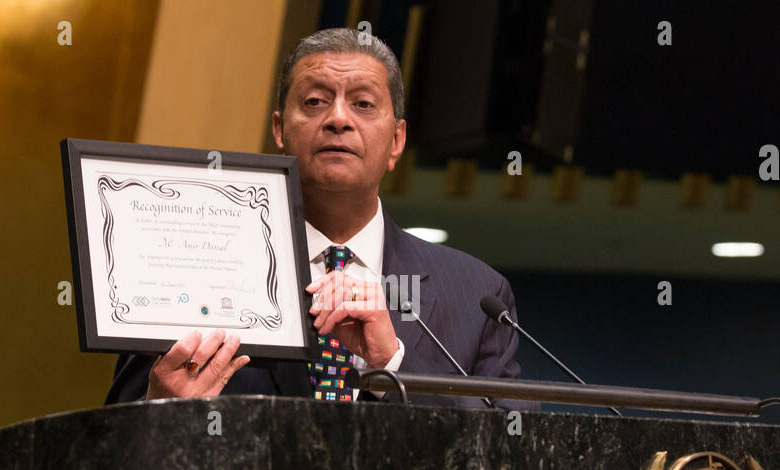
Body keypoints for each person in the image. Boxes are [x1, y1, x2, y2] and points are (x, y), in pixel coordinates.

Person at [105, 28, 532, 410]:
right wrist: (157, 409)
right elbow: (107, 460)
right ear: (279, 130)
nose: (338, 119)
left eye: (363, 103)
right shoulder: (187, 267)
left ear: (397, 140)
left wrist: (391, 367)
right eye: (314, 102)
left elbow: (507, 459)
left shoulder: (478, 297)